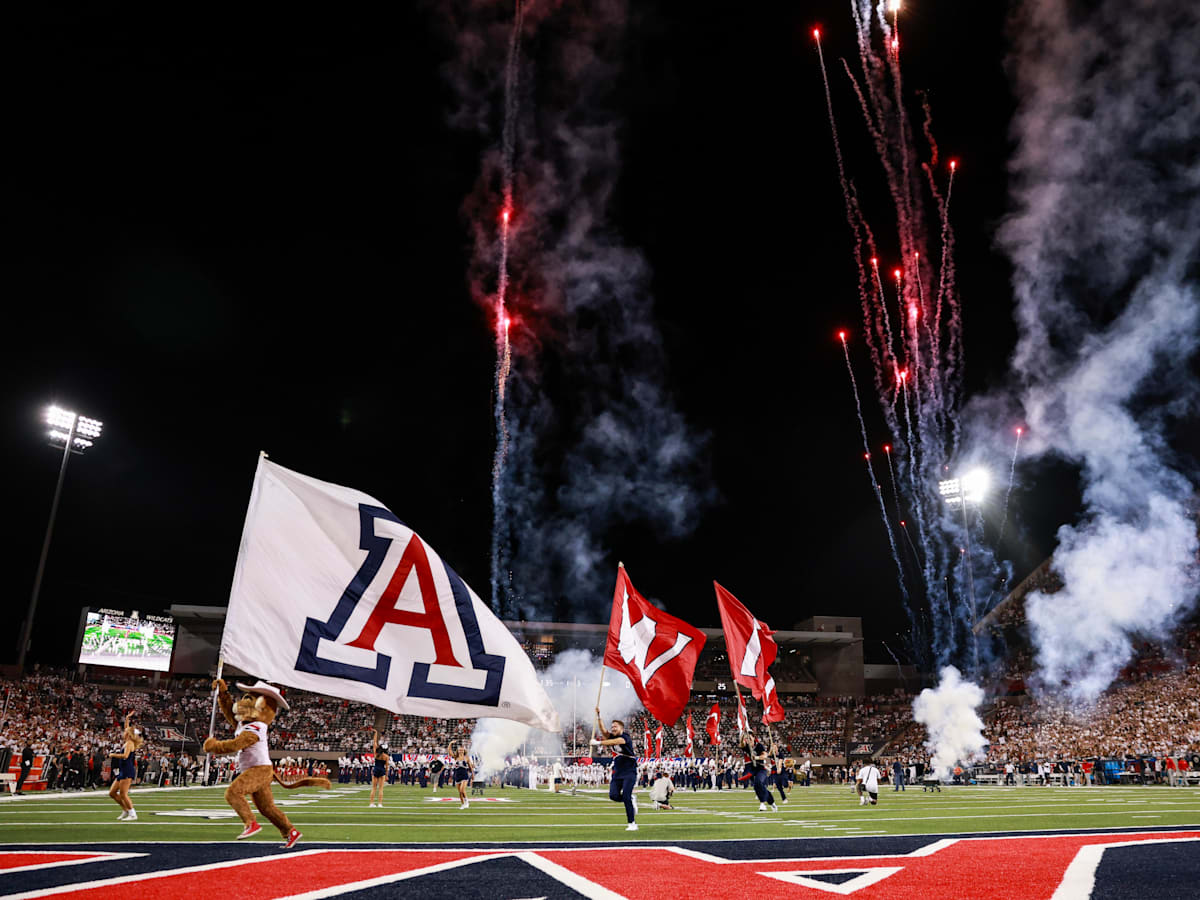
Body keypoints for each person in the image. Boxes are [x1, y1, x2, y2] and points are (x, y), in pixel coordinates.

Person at [592, 708, 639, 832]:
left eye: (615, 727)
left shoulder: (625, 737)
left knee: (627, 796)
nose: (613, 728)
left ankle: (632, 823)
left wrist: (598, 743)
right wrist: (598, 716)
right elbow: (603, 731)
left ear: (621, 728)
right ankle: (631, 799)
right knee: (613, 795)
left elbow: (615, 741)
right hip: (617, 771)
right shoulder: (612, 735)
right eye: (612, 727)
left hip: (629, 771)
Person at [109, 712, 144, 820]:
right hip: (123, 770)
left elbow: (125, 755)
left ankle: (132, 814)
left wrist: (113, 755)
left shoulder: (129, 743)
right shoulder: (127, 741)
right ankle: (125, 809)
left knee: (123, 794)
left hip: (127, 770)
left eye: (125, 732)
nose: (123, 733)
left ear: (128, 734)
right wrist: (127, 718)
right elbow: (126, 727)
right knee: (112, 793)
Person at [743, 733, 777, 812]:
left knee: (758, 782)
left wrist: (756, 757)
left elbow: (765, 755)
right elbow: (741, 744)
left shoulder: (759, 746)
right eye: (747, 739)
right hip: (751, 770)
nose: (748, 740)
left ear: (754, 738)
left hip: (760, 769)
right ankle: (772, 802)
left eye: (750, 738)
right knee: (758, 787)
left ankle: (762, 803)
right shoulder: (746, 747)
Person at [369, 730, 388, 808]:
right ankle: (380, 804)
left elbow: (374, 743)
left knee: (373, 788)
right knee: (381, 789)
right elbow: (387, 767)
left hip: (376, 769)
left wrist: (376, 733)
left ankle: (371, 803)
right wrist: (386, 775)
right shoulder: (386, 756)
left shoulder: (376, 754)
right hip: (382, 770)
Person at [451, 742, 473, 810]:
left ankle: (467, 801)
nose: (461, 751)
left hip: (464, 775)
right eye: (460, 750)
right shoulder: (456, 757)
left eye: (462, 750)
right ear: (458, 751)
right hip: (457, 775)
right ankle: (463, 804)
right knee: (460, 793)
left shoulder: (466, 758)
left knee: (462, 790)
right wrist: (450, 744)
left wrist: (472, 775)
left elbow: (470, 767)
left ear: (464, 751)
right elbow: (449, 751)